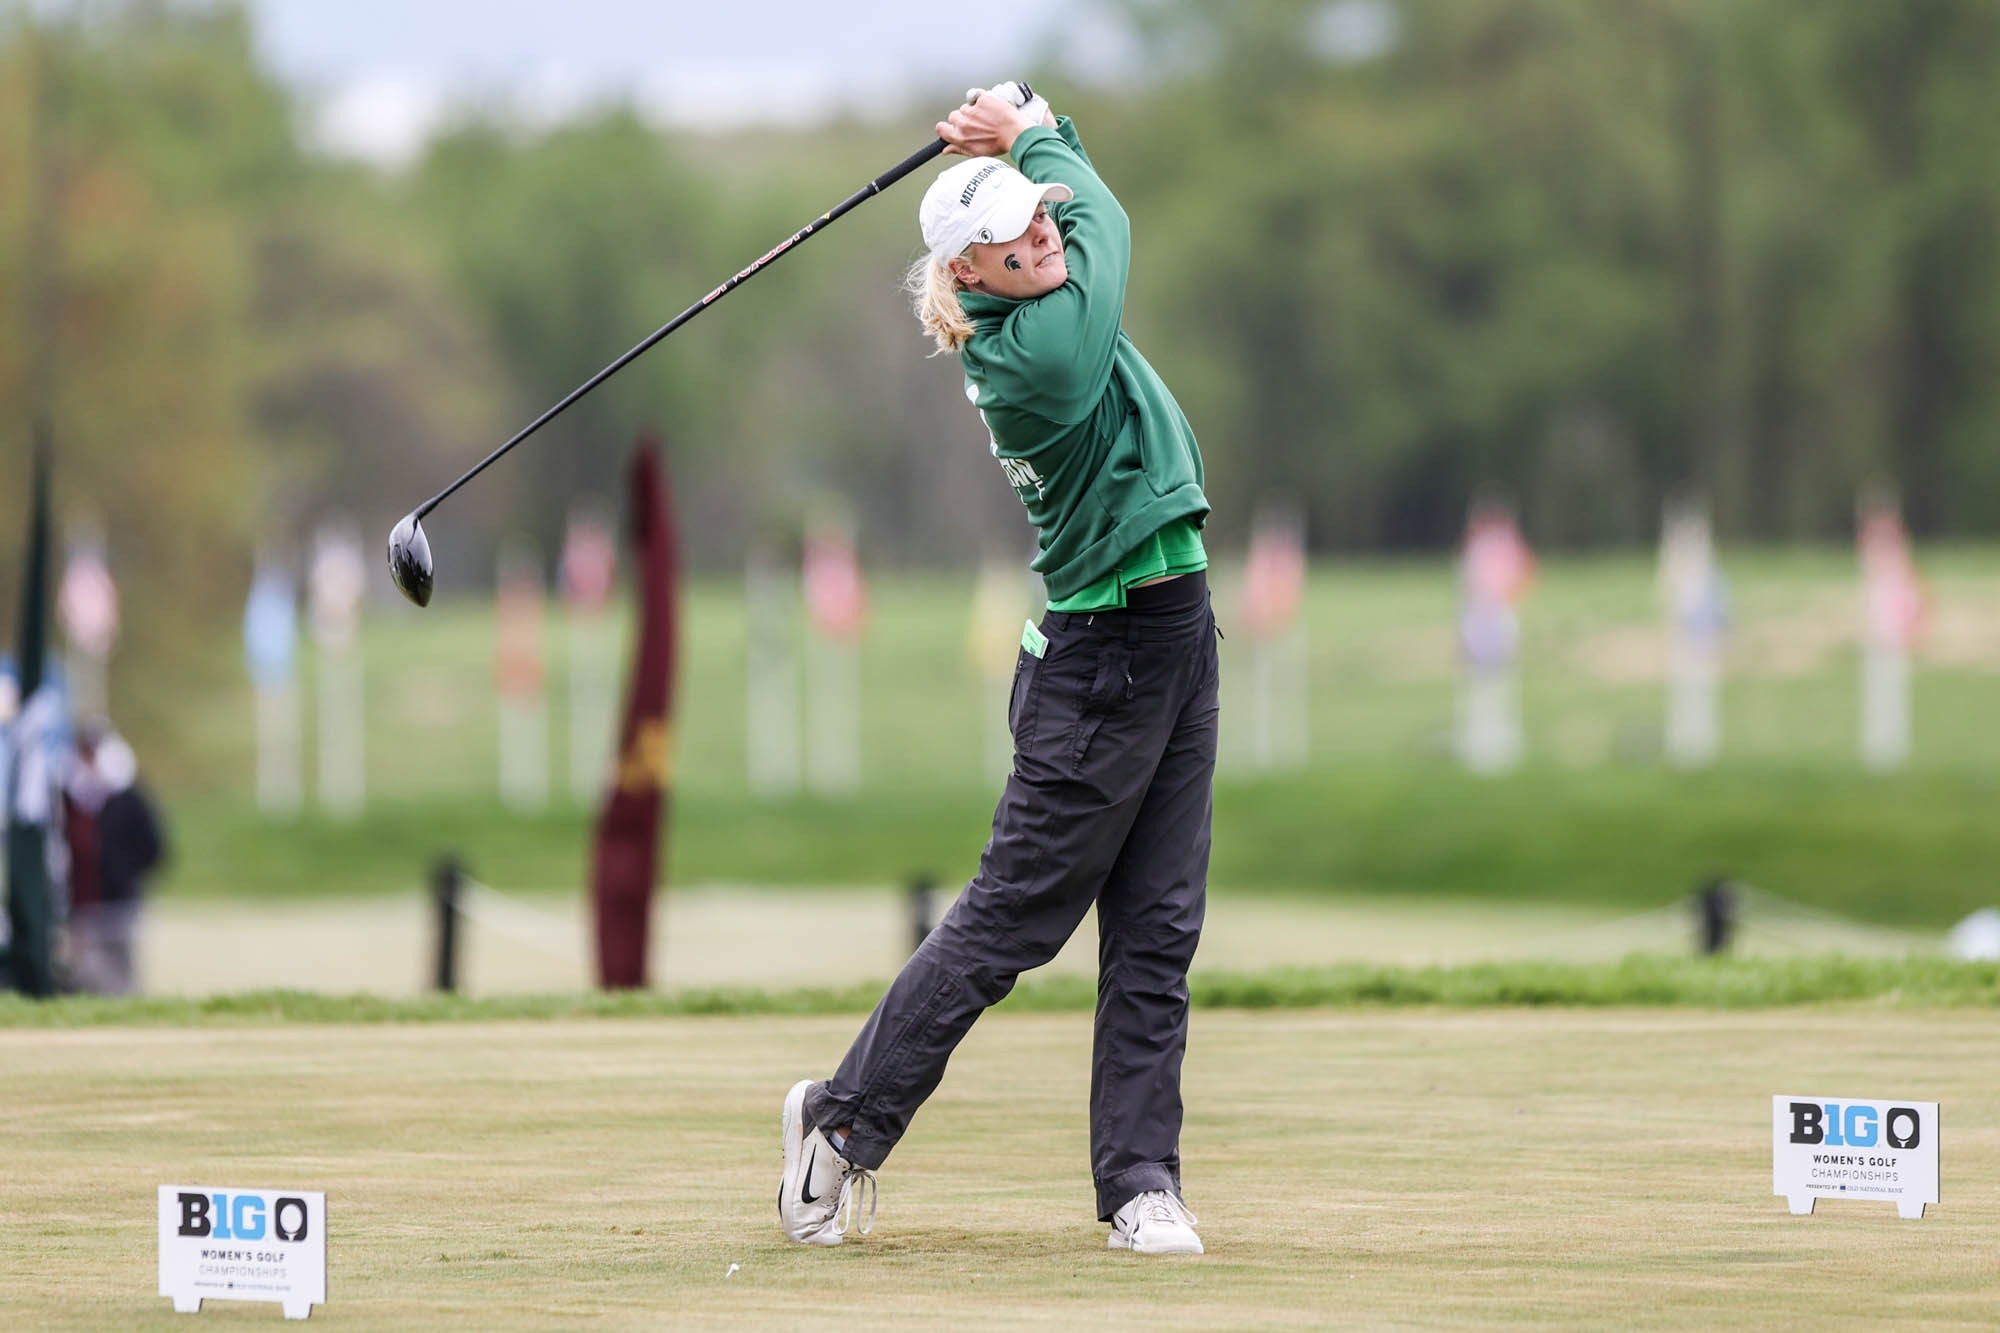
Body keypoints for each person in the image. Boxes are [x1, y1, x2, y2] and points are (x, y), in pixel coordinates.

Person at [778, 83, 1220, 1256]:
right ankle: (838, 1126)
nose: (1036, 234)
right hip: (1103, 660)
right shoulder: (1036, 356)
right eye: (1006, 237)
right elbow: (1107, 226)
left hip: (1172, 630)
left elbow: (1070, 209)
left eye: (1033, 218)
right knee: (1006, 927)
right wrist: (1032, 132)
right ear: (966, 276)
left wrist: (1024, 132)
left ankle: (1138, 1181)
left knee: (1158, 926)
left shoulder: (1034, 280)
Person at [61, 722, 166, 996]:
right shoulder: (67, 797)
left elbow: (153, 849)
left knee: (122, 976)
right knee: (84, 975)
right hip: (80, 905)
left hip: (119, 905)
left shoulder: (129, 798)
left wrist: (121, 871)